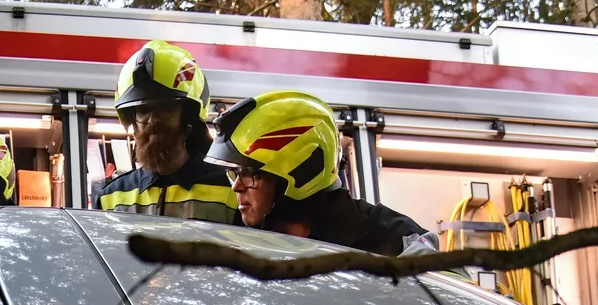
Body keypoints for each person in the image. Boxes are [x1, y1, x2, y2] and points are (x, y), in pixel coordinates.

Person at [206, 91, 434, 255]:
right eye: (235, 173)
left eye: (249, 173)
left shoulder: (396, 240)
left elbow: (452, 304)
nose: (237, 186)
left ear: (301, 170)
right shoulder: (239, 241)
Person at [93, 40, 238, 222]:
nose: (152, 120)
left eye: (164, 108)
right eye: (144, 111)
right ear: (132, 121)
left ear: (188, 117)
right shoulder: (110, 198)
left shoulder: (232, 190)